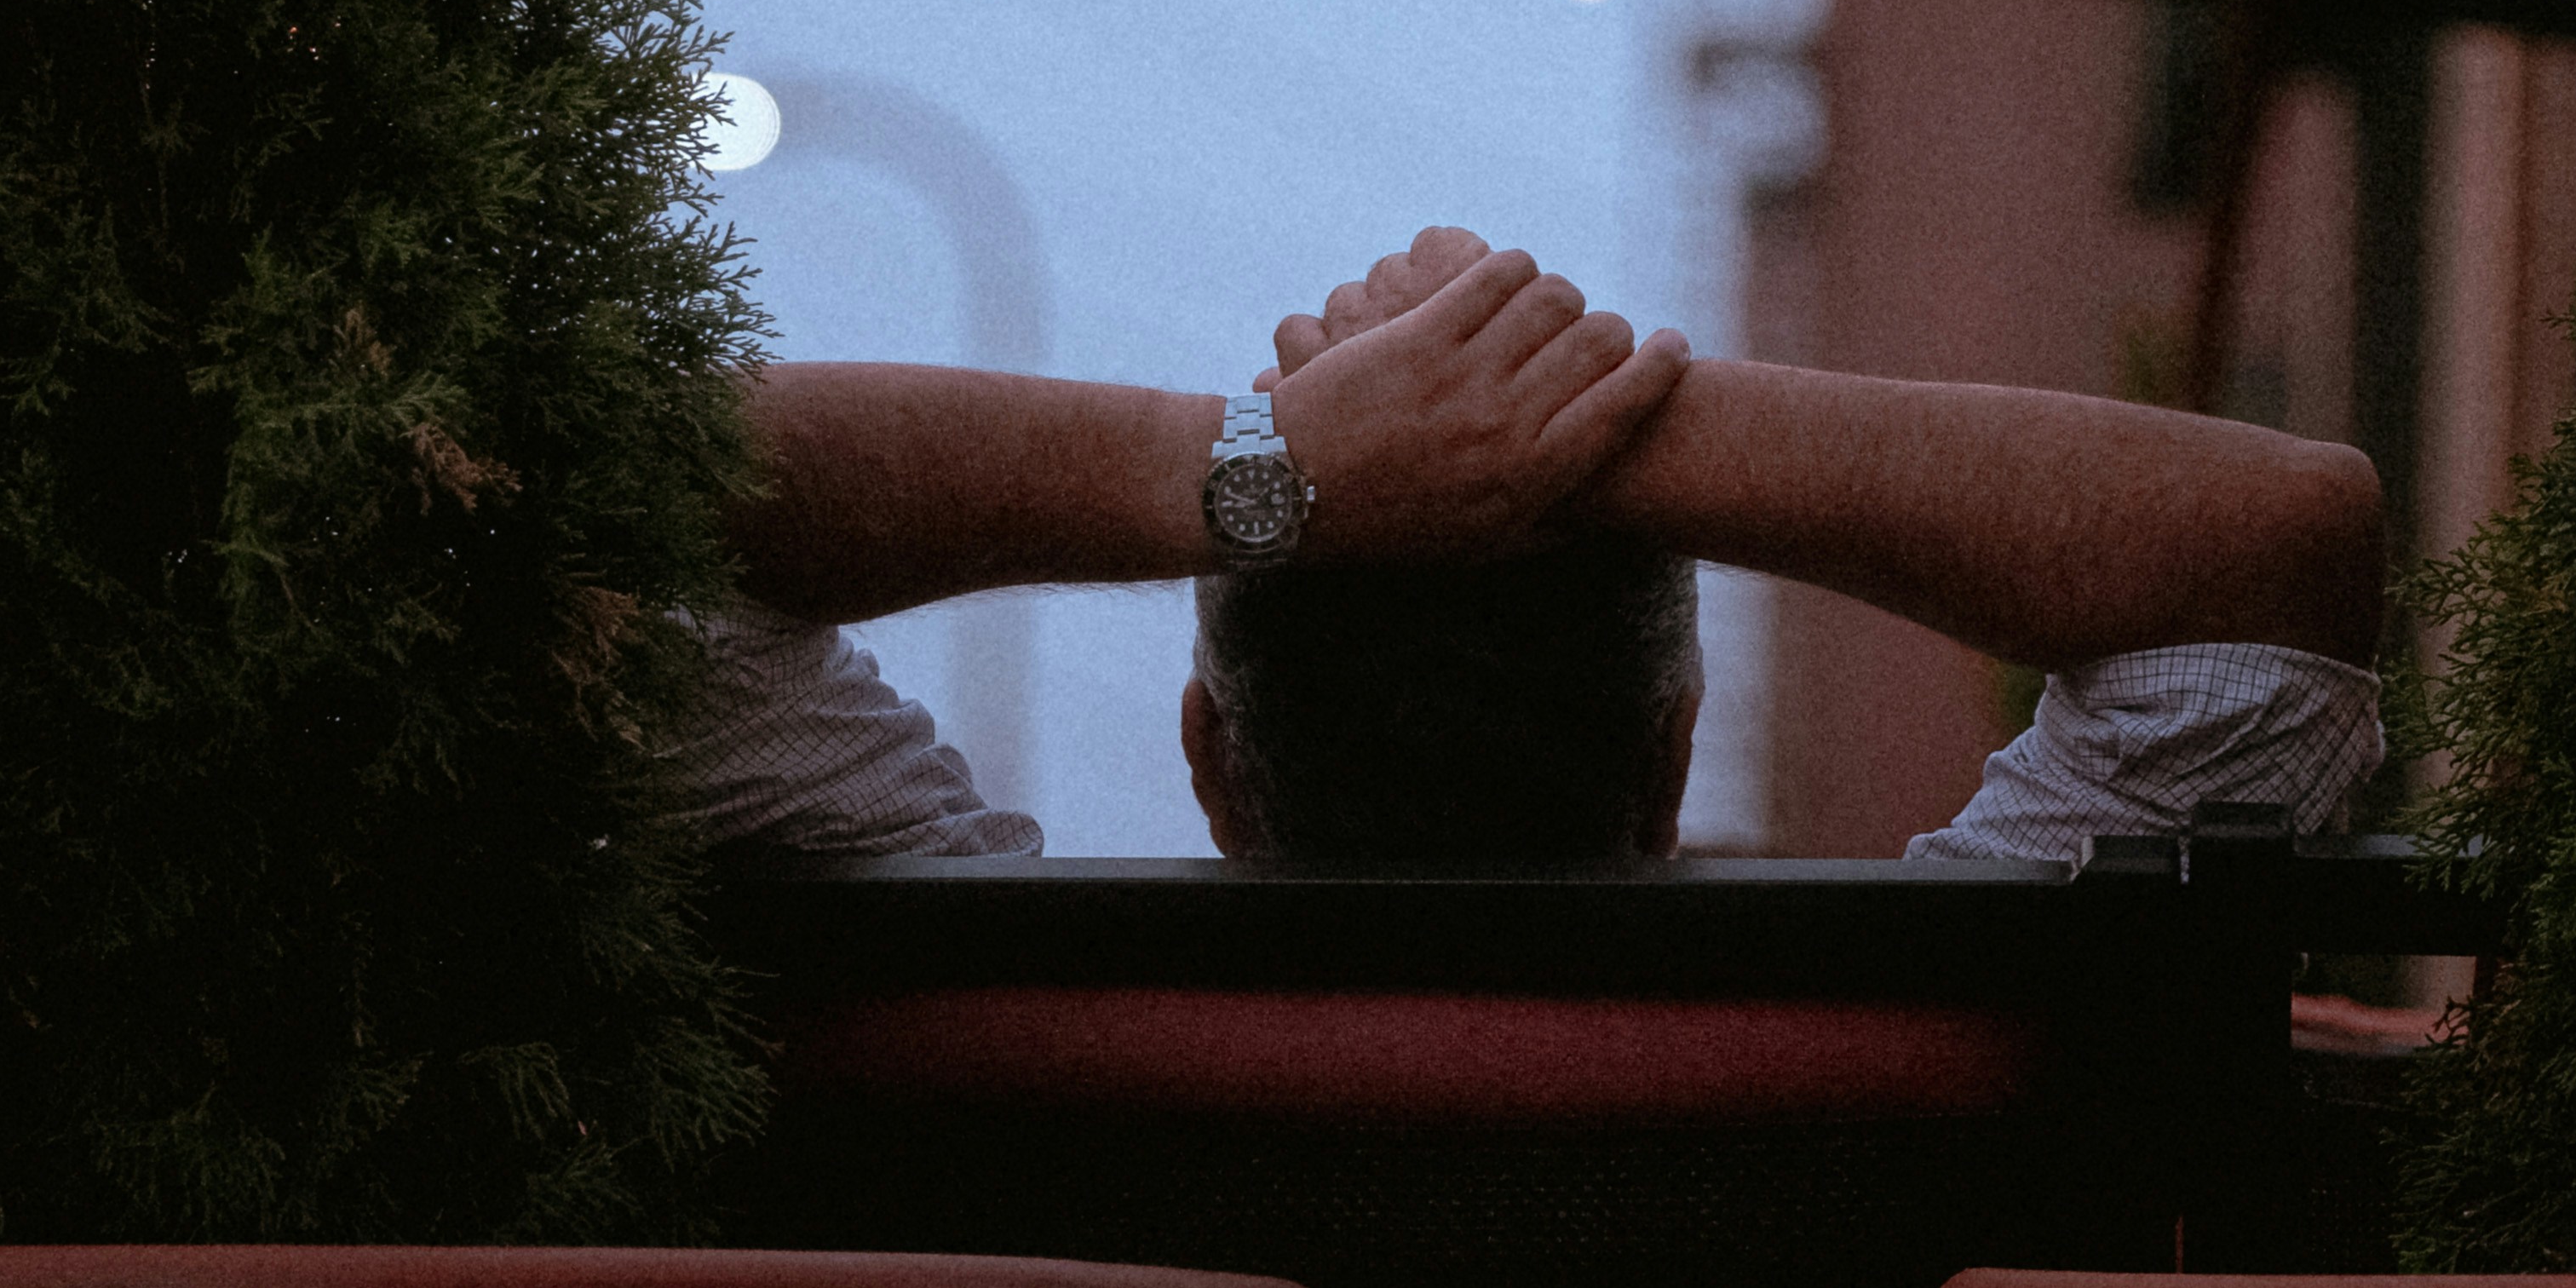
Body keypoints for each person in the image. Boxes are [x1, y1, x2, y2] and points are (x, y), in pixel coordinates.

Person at [676, 226, 2384, 863]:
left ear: (1210, 764)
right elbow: (2276, 549)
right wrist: (1622, 420)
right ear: (1670, 761)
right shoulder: (1907, 1034)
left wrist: (1275, 465)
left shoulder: (1006, 1028)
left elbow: (636, 498)